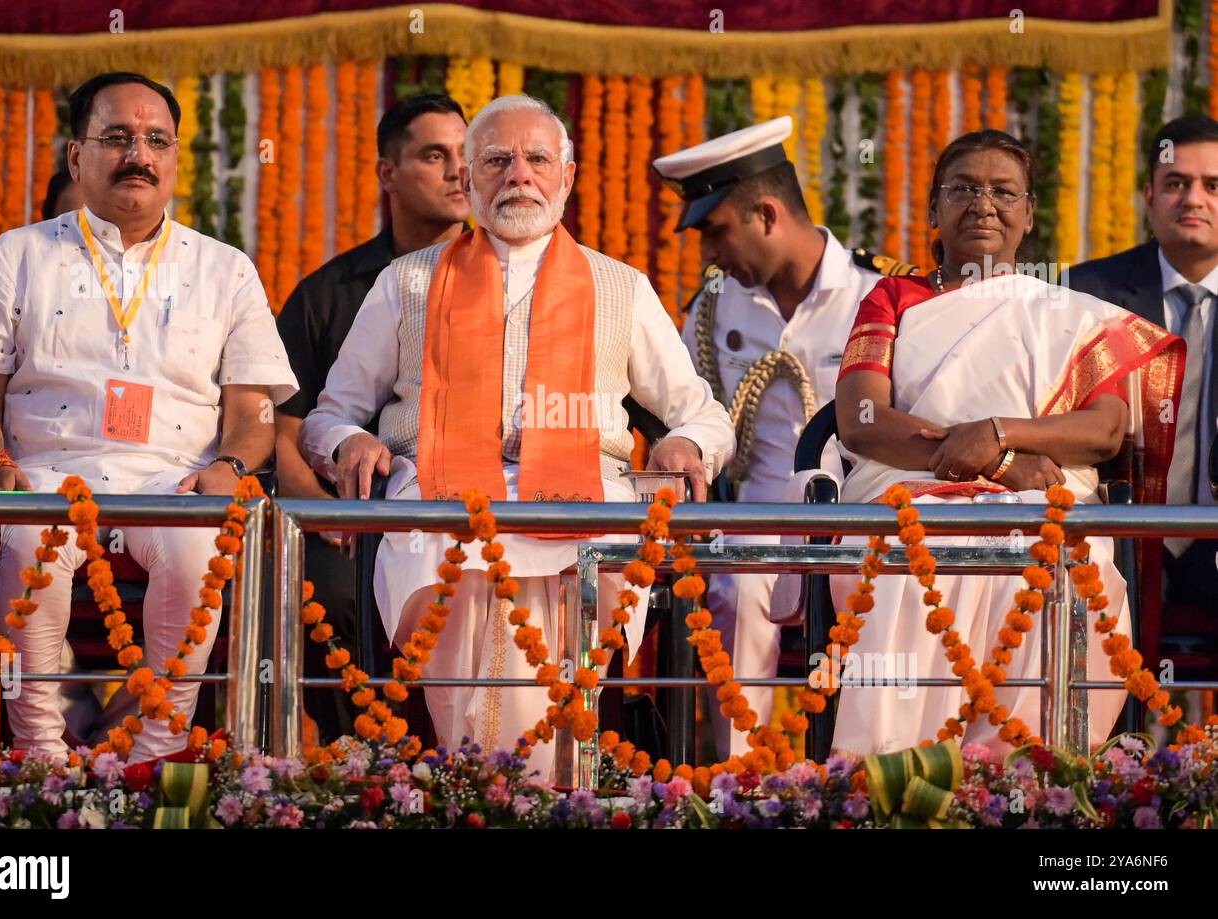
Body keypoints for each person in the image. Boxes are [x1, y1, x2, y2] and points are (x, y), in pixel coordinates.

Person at [301, 94, 734, 776]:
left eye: (537, 159)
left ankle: (564, 784)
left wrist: (687, 444)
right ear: (469, 180)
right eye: (497, 160)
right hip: (440, 501)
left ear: (566, 176)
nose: (519, 177)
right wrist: (349, 443)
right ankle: (470, 785)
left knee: (597, 556)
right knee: (440, 552)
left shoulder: (618, 286)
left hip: (584, 496)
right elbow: (329, 414)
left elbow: (704, 413)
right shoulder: (407, 283)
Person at [0, 71, 298, 762]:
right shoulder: (19, 253)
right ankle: (39, 754)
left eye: (156, 139)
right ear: (77, 157)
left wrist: (228, 466)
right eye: (118, 137)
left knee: (198, 547)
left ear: (173, 158)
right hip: (47, 472)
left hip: (176, 481)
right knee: (30, 535)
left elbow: (255, 409)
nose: (140, 152)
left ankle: (155, 757)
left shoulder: (226, 269)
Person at [832, 129, 1181, 757]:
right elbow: (861, 420)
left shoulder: (1070, 313)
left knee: (1068, 570)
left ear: (1028, 214)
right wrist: (1001, 462)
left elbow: (1104, 430)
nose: (983, 204)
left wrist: (999, 433)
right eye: (963, 189)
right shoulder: (893, 298)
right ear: (934, 210)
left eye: (1003, 191)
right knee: (907, 568)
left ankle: (1028, 778)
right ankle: (889, 777)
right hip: (907, 500)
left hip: (1042, 511)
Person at [654, 117, 916, 759]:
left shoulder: (877, 294)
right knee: (734, 587)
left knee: (885, 594)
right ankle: (740, 784)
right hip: (758, 521)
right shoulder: (714, 309)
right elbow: (681, 414)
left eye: (716, 232)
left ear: (766, 215)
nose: (708, 254)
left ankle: (871, 772)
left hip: (860, 519)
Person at [275, 93, 469, 744]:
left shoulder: (511, 281)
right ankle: (358, 769)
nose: (458, 172)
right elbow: (283, 435)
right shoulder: (327, 294)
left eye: (467, 155)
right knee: (322, 590)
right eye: (435, 155)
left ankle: (480, 774)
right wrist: (327, 518)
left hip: (472, 510)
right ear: (387, 173)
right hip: (350, 522)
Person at [1067, 116, 1218, 614]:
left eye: (1212, 186)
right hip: (1115, 534)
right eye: (1176, 184)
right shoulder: (1089, 293)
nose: (1193, 199)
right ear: (1149, 196)